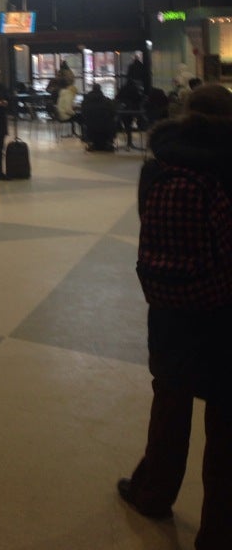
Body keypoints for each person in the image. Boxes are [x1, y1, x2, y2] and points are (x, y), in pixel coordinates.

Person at [117, 84, 232, 548]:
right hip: (224, 309)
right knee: (225, 421)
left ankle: (152, 492)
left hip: (169, 307)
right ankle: (219, 531)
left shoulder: (158, 165)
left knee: (169, 400)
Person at [80, 84, 117, 151]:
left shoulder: (86, 101)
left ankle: (92, 144)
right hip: (106, 127)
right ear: (100, 89)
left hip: (91, 127)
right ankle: (108, 143)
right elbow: (113, 112)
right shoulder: (107, 101)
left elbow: (83, 113)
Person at [115, 78, 146, 149]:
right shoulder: (135, 89)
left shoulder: (123, 89)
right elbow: (139, 99)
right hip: (133, 111)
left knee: (127, 125)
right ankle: (129, 142)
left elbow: (118, 98)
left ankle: (129, 142)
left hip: (124, 110)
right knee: (129, 125)